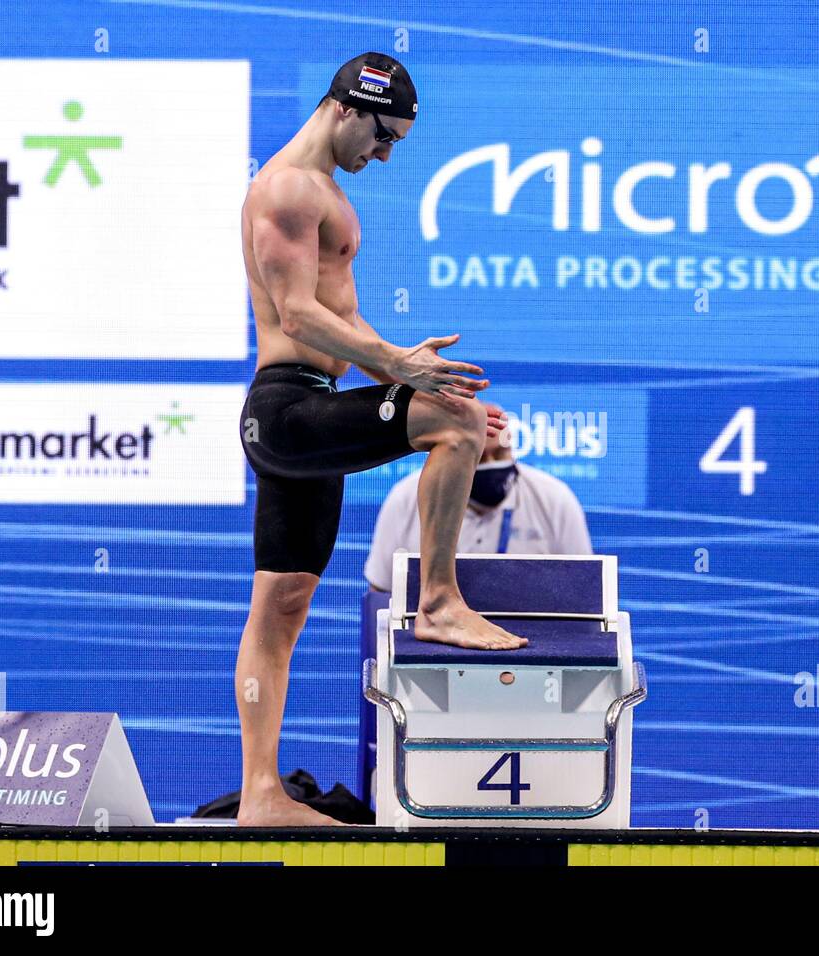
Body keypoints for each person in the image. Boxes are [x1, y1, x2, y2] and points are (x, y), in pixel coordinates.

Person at [234, 52, 527, 828]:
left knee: (282, 603)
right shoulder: (287, 189)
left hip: (312, 404)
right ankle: (439, 602)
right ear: (346, 108)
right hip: (288, 409)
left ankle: (261, 797)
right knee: (457, 426)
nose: (387, 155)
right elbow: (297, 316)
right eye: (384, 135)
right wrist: (402, 369)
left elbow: (342, 319)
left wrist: (420, 376)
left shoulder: (325, 193)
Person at [364, 403, 593, 592]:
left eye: (501, 454)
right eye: (479, 457)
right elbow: (380, 594)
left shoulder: (554, 500)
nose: (491, 465)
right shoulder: (406, 498)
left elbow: (584, 591)